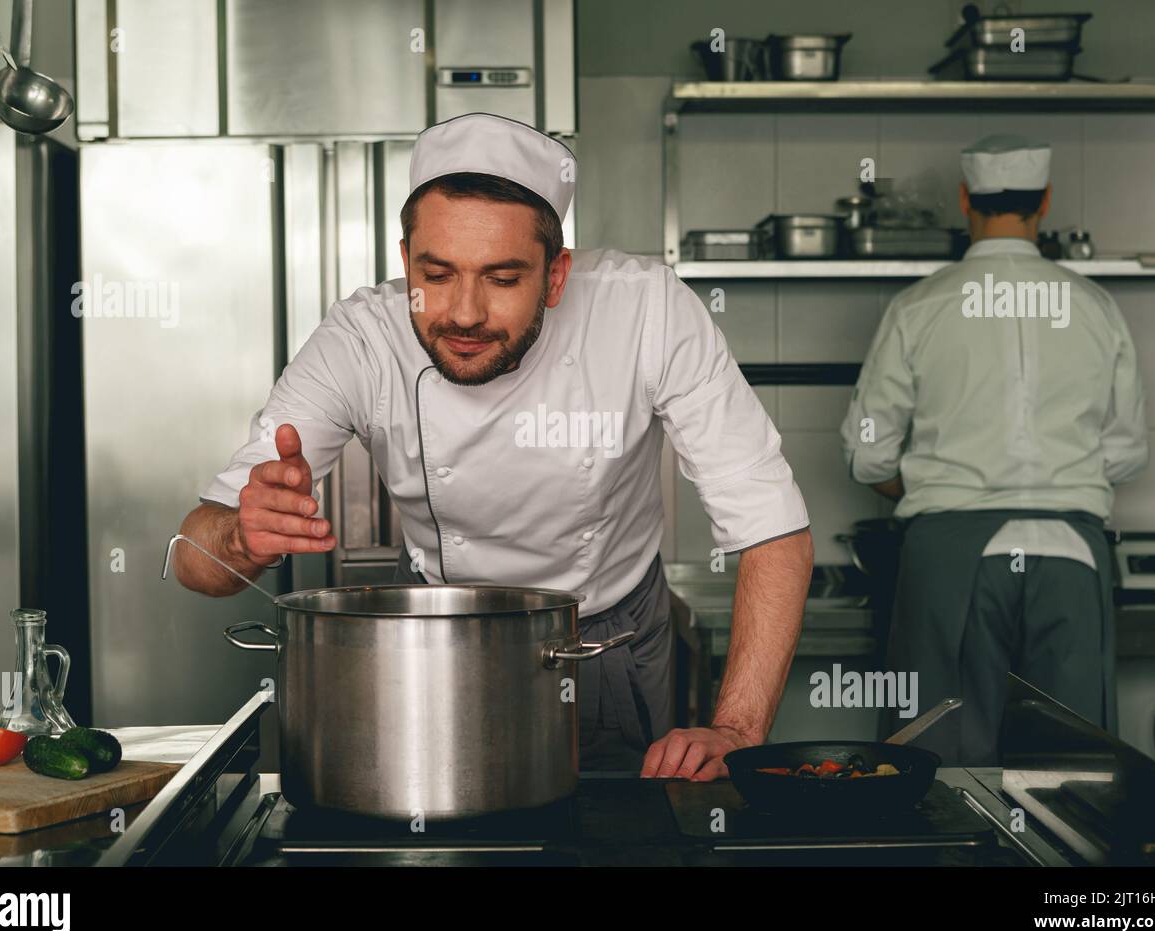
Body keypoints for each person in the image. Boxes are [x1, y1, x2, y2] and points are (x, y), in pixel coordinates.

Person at [174, 112, 814, 778]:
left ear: (556, 274)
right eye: (439, 274)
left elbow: (773, 529)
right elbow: (196, 556)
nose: (466, 313)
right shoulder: (360, 338)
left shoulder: (647, 310)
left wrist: (736, 729)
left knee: (613, 838)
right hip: (423, 636)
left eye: (504, 279)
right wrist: (242, 540)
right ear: (405, 263)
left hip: (600, 641)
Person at [840, 133, 1148, 765]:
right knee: (1077, 769)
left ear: (964, 200)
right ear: (1046, 201)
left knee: (938, 764)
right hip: (1073, 559)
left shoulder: (918, 307)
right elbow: (1125, 453)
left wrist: (928, 484)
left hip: (951, 558)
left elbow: (867, 456)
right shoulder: (1096, 307)